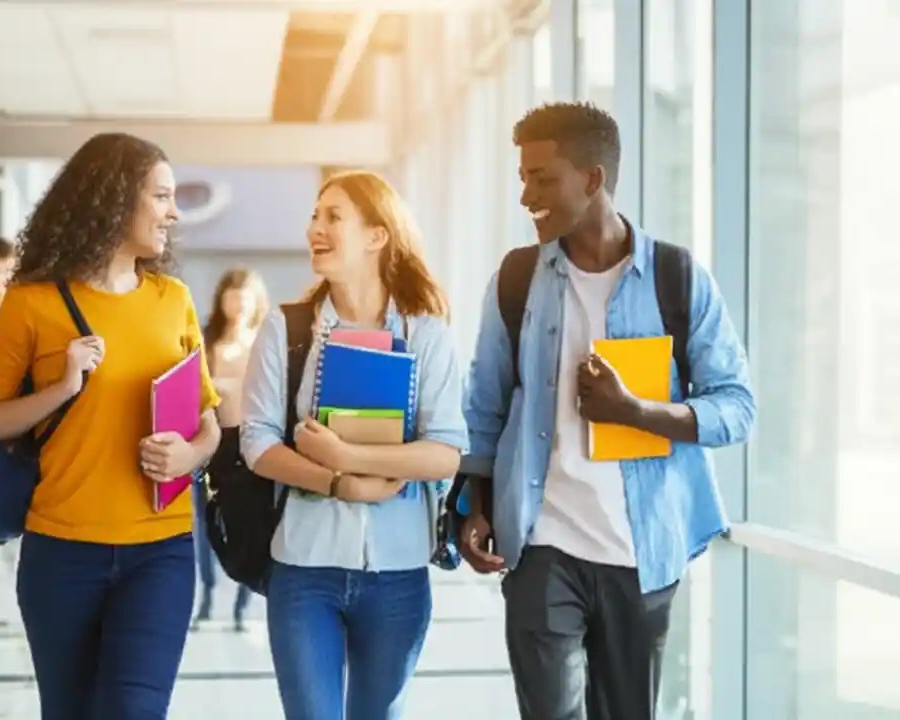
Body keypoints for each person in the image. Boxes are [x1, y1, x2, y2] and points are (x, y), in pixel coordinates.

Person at [458, 102, 756, 719]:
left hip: (641, 555)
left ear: (593, 180)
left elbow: (737, 408)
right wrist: (475, 507)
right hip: (542, 546)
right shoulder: (517, 279)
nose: (526, 196)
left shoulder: (677, 278)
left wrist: (635, 411)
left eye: (543, 178)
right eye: (522, 178)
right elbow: (484, 405)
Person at [0, 132, 221, 720]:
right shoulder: (32, 303)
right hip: (62, 552)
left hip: (160, 550)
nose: (174, 212)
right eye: (160, 196)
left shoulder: (173, 300)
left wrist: (189, 456)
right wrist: (61, 389)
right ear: (115, 200)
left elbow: (207, 424)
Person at [239, 170, 468, 719]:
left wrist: (350, 459)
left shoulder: (426, 333)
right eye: (315, 217)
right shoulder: (288, 329)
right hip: (303, 569)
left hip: (398, 576)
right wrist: (336, 482)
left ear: (376, 235)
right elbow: (256, 442)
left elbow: (445, 451)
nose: (314, 228)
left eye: (332, 216)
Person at [192, 267, 269, 632]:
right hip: (209, 445)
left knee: (250, 522)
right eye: (231, 295)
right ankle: (206, 593)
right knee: (203, 521)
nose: (237, 304)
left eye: (244, 296)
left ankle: (242, 602)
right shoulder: (207, 344)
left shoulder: (263, 345)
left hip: (249, 447)